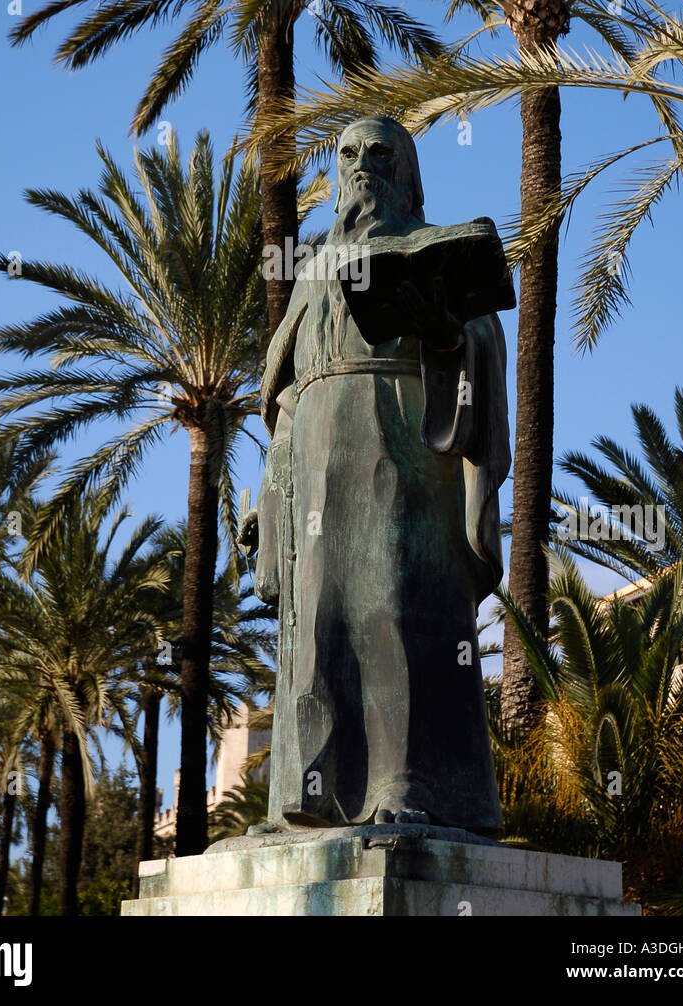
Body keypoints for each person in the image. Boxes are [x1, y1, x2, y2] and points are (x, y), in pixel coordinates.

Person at [250, 116, 511, 831]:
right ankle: (313, 792)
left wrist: (447, 332)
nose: (362, 164)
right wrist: (270, 492)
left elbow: (481, 344)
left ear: (407, 173)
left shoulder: (426, 250)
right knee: (316, 628)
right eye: (348, 154)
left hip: (400, 448)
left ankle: (409, 784)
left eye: (379, 153)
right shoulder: (310, 271)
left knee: (391, 611)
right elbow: (282, 392)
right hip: (313, 462)